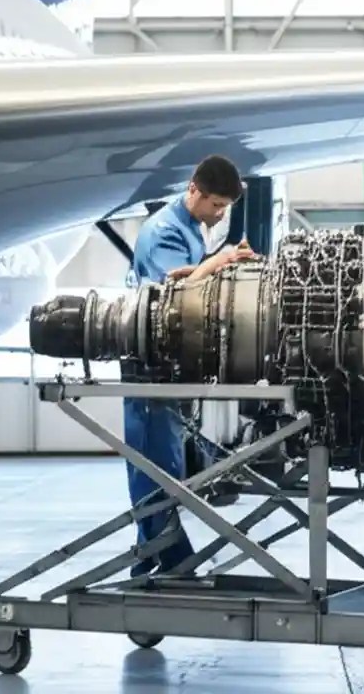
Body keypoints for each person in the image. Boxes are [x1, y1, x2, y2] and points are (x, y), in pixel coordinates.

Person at [123, 154, 254, 577]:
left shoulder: (187, 228)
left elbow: (194, 280)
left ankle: (159, 557)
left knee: (170, 466)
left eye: (225, 208)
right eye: (215, 204)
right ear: (193, 190)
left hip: (169, 365)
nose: (219, 214)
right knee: (153, 465)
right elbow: (172, 295)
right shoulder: (163, 232)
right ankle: (161, 557)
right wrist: (218, 263)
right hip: (149, 366)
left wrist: (221, 262)